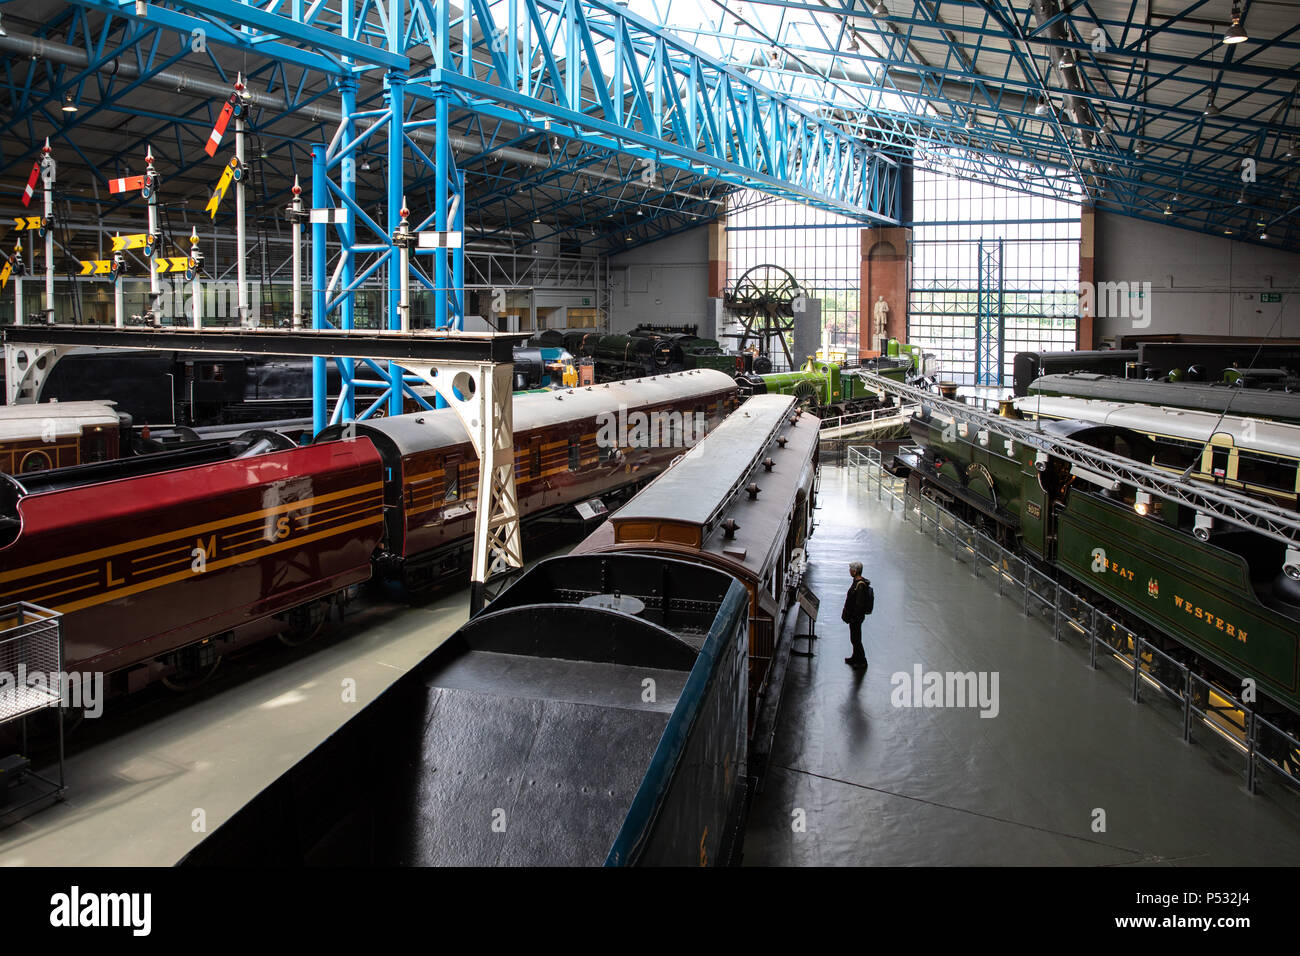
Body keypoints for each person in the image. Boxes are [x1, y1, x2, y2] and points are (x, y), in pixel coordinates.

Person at [841, 561, 873, 669]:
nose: (849, 571)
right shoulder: (856, 581)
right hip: (854, 617)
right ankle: (855, 657)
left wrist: (854, 617)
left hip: (856, 618)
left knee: (856, 639)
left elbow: (859, 604)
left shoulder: (860, 585)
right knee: (854, 638)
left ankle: (862, 661)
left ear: (855, 571)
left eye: (850, 569)